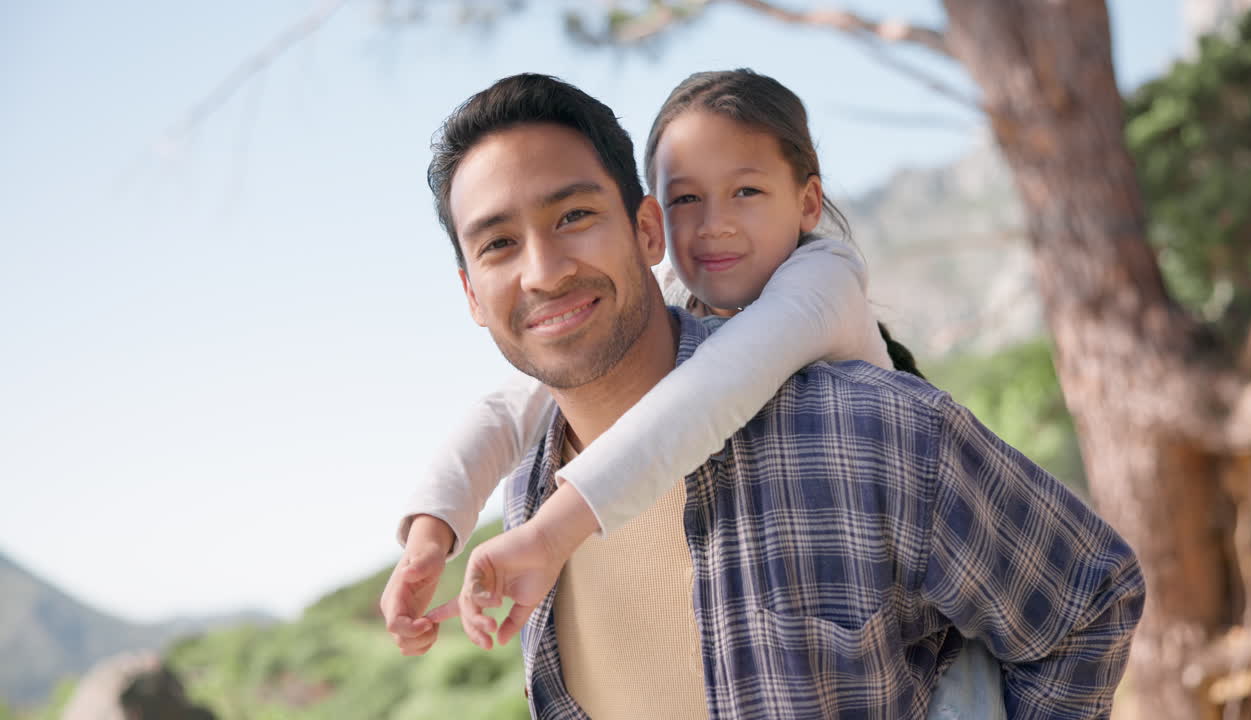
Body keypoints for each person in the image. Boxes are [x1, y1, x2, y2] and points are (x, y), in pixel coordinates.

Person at [393, 72, 1146, 719]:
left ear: (644, 230)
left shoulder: (865, 418)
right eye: (497, 243)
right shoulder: (524, 494)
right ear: (470, 292)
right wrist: (430, 537)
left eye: (574, 216)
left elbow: (1090, 602)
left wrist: (554, 533)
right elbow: (503, 407)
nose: (544, 271)